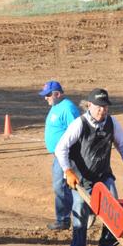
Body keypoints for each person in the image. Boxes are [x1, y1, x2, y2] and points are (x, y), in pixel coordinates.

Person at [55, 88, 123, 246]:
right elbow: (61, 148)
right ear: (89, 105)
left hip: (103, 175)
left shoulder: (112, 123)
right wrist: (68, 171)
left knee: (114, 213)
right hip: (81, 179)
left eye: (105, 107)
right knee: (80, 214)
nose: (102, 110)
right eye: (99, 106)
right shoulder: (79, 124)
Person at [40, 80, 81, 231]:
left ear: (57, 94)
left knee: (64, 186)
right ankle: (64, 219)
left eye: (48, 95)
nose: (45, 98)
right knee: (61, 186)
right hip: (59, 155)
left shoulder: (68, 108)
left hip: (67, 155)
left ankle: (68, 219)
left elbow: (77, 131)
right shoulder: (56, 106)